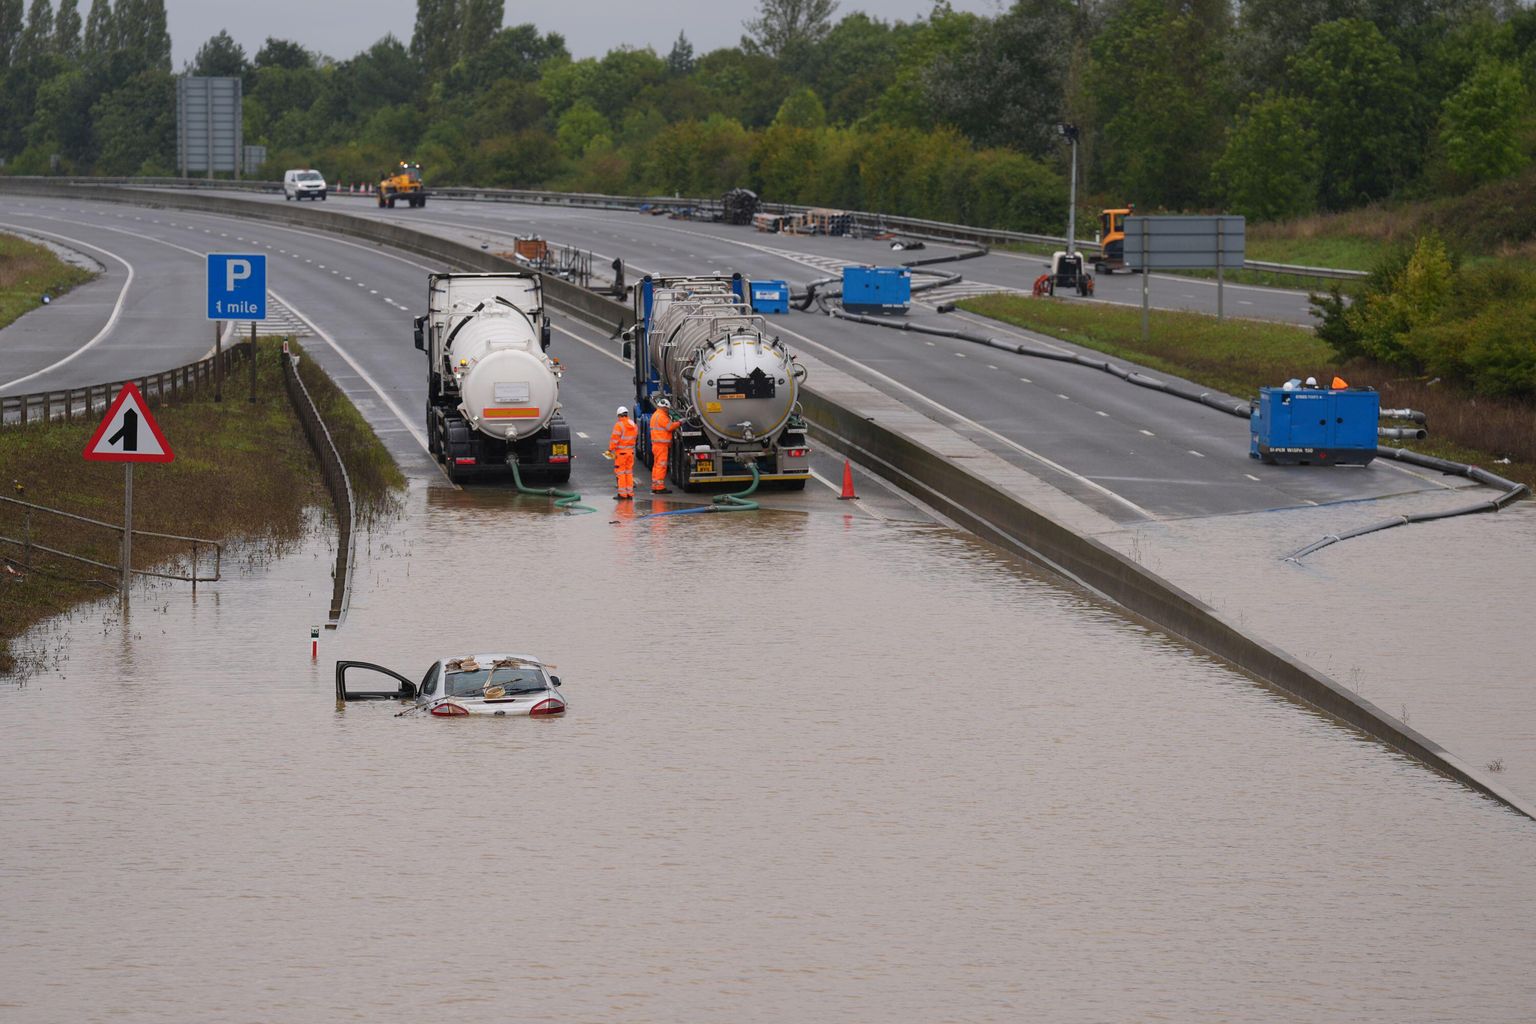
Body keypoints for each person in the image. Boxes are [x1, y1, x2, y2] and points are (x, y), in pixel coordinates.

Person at [649, 398, 682, 494]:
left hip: (656, 445)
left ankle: (655, 485)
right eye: (667, 409)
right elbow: (670, 427)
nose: (668, 411)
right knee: (661, 466)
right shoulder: (662, 416)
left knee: (656, 465)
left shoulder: (655, 415)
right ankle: (659, 487)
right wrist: (680, 422)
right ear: (665, 408)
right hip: (661, 445)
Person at [607, 406, 638, 499]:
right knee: (629, 473)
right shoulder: (633, 424)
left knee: (620, 473)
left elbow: (614, 440)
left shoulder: (619, 425)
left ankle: (622, 494)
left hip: (621, 453)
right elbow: (635, 436)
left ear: (619, 415)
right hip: (630, 452)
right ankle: (630, 493)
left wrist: (610, 449)